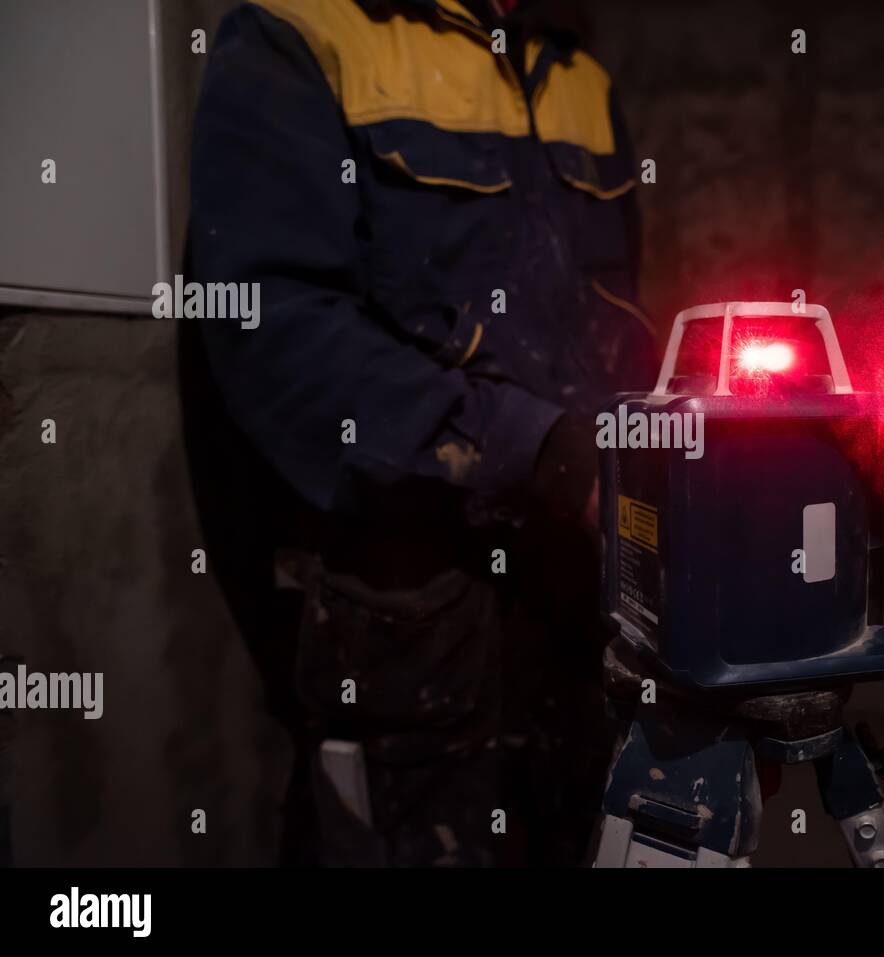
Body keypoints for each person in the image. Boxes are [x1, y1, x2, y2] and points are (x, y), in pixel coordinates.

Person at [183, 0, 655, 866]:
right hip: (414, 616)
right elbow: (271, 327)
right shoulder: (306, 32)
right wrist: (539, 452)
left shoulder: (579, 72)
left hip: (587, 608)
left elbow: (620, 327)